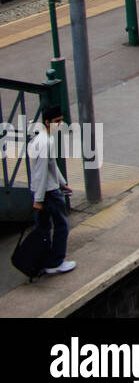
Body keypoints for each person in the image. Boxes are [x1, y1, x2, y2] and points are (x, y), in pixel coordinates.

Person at [28, 105, 75, 275]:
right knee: (62, 225)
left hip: (45, 190)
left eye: (61, 121)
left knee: (44, 228)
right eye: (57, 121)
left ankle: (43, 261)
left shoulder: (42, 139)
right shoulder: (45, 143)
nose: (60, 124)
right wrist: (39, 200)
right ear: (47, 122)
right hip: (49, 193)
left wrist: (62, 183)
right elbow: (41, 173)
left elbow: (51, 167)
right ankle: (56, 262)